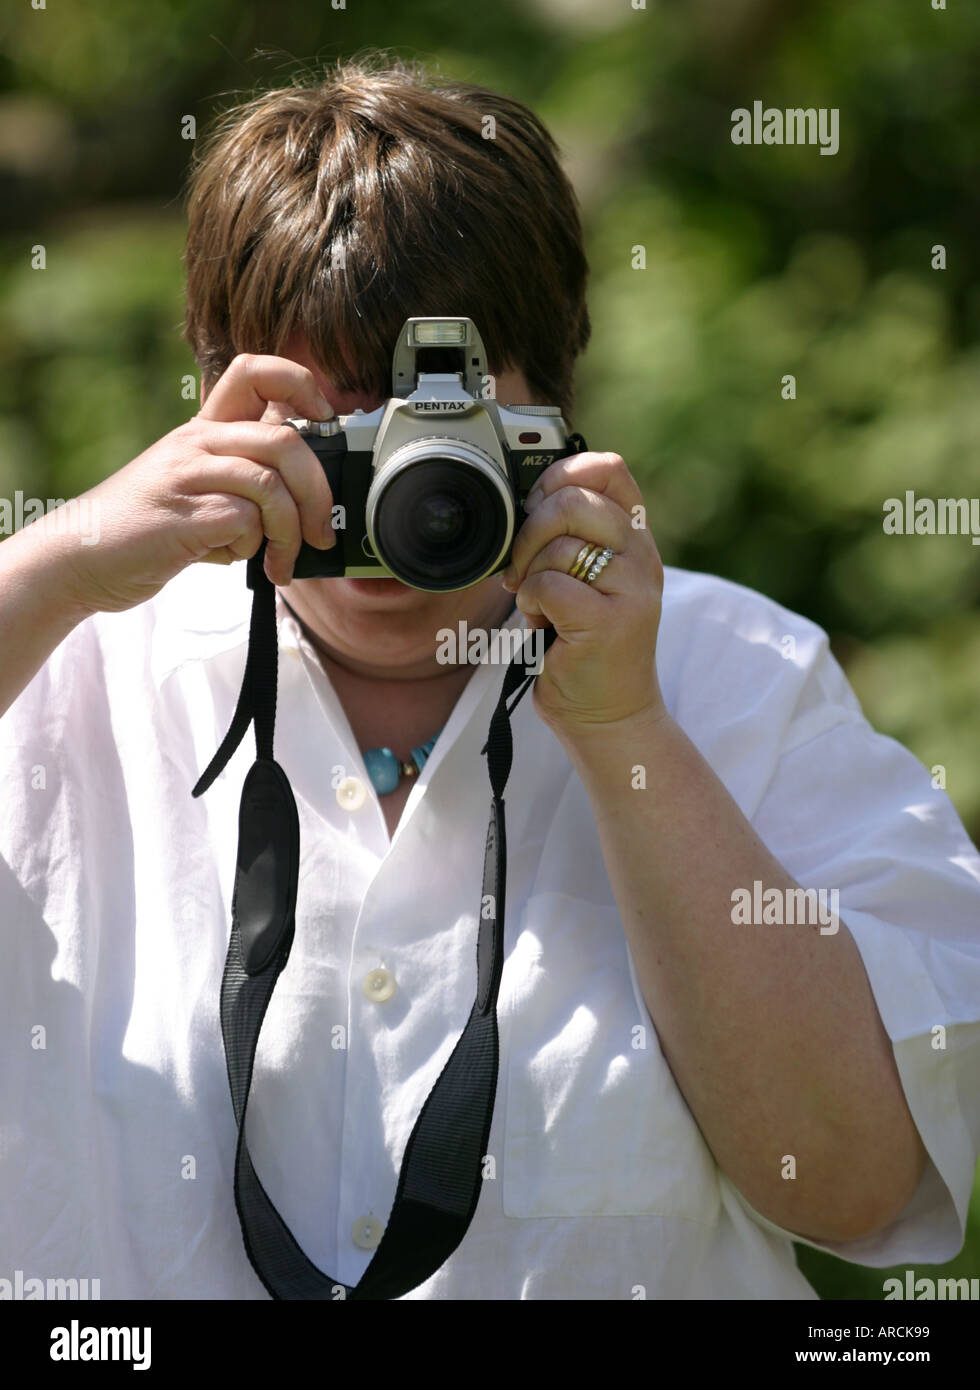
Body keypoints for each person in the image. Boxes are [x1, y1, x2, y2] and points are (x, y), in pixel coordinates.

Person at [1, 54, 978, 1302]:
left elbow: (855, 1184)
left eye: (435, 433)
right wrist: (57, 562)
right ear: (212, 404)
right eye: (332, 434)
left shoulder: (735, 680)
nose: (392, 506)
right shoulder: (65, 662)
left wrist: (626, 733)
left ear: (550, 414)